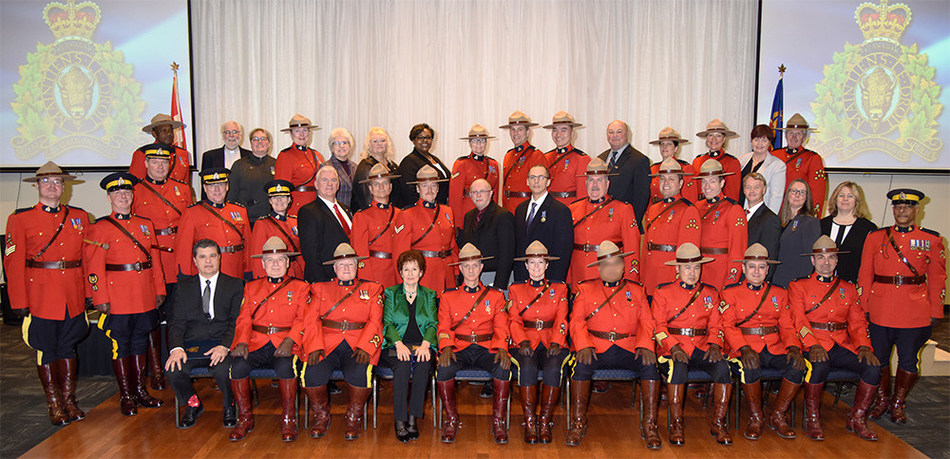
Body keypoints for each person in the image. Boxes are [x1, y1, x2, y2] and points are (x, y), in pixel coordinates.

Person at [4, 162, 90, 425]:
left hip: (72, 294)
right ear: (37, 186)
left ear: (64, 187)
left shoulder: (80, 217)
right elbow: (12, 262)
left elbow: (86, 258)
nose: (53, 186)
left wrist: (88, 292)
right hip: (41, 295)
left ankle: (70, 400)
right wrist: (18, 300)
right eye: (47, 182)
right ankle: (54, 405)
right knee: (47, 350)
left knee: (68, 348)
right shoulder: (20, 219)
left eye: (58, 182)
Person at [860, 189, 946, 424]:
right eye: (898, 207)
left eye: (907, 207)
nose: (902, 211)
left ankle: (898, 402)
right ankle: (882, 399)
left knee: (908, 359)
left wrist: (936, 310)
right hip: (880, 308)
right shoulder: (876, 238)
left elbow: (938, 278)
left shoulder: (931, 240)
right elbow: (865, 275)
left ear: (917, 210)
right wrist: (864, 306)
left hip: (914, 310)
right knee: (879, 358)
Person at [83, 172, 166, 416]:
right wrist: (99, 298)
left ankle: (141, 391)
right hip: (117, 297)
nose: (123, 197)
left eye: (127, 192)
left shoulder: (145, 224)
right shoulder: (99, 228)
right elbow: (93, 267)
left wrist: (159, 289)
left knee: (140, 344)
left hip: (143, 295)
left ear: (133, 195)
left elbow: (154, 260)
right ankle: (126, 395)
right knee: (121, 346)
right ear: (109, 197)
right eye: (117, 193)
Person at [565, 240, 661, 449]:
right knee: (580, 367)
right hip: (596, 347)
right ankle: (578, 422)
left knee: (650, 367)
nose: (612, 268)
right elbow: (577, 320)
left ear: (624, 266)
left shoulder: (637, 290)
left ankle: (649, 425)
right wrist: (583, 344)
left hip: (629, 346)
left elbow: (647, 321)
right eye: (606, 264)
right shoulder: (585, 289)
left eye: (616, 263)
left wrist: (645, 345)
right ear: (598, 268)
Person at [789, 236, 881, 441]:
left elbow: (857, 322)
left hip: (840, 343)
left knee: (872, 368)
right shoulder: (799, 286)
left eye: (831, 258)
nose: (826, 262)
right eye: (820, 258)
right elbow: (798, 320)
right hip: (811, 342)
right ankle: (812, 418)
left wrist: (864, 347)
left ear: (837, 260)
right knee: (819, 365)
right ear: (812, 261)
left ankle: (856, 417)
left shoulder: (848, 289)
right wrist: (812, 344)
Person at [720, 243, 806, 441]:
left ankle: (778, 415)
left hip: (774, 346)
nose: (757, 271)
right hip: (744, 345)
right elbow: (728, 326)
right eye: (752, 266)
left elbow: (786, 325)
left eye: (761, 267)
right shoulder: (730, 293)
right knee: (750, 366)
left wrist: (793, 348)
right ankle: (756, 417)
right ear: (743, 268)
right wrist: (743, 348)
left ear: (768, 269)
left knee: (797, 365)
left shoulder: (779, 293)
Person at [229, 237, 310, 442]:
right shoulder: (251, 287)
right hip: (256, 341)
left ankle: (288, 420)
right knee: (237, 367)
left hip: (285, 343)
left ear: (288, 263)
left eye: (280, 260)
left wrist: (291, 340)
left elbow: (304, 319)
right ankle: (245, 419)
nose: (275, 264)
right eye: (270, 260)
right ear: (263, 264)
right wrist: (242, 342)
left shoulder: (301, 288)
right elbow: (244, 319)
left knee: (286, 368)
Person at [651, 243, 732, 446]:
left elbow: (717, 325)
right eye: (687, 268)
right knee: (676, 369)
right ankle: (676, 424)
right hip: (675, 347)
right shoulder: (663, 292)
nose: (692, 272)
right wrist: (673, 346)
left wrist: (715, 344)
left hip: (703, 346)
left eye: (696, 267)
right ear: (677, 269)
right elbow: (658, 327)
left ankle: (718, 423)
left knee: (723, 368)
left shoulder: (710, 293)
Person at [302, 243, 384, 441]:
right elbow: (310, 319)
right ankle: (322, 416)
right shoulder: (320, 289)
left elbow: (375, 321)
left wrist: (366, 346)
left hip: (358, 343)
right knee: (311, 372)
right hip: (326, 341)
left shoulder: (372, 289)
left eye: (350, 264)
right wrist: (313, 346)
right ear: (334, 268)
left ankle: (353, 417)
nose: (346, 268)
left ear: (357, 267)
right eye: (341, 264)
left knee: (359, 372)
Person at [435, 243, 511, 444]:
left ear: (481, 267)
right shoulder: (448, 296)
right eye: (466, 266)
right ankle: (451, 420)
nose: (471, 270)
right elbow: (443, 327)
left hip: (487, 347)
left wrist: (502, 347)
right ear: (459, 268)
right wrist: (446, 347)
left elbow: (502, 326)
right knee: (443, 370)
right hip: (459, 347)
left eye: (475, 265)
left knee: (503, 369)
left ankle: (498, 421)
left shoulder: (495, 296)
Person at [132, 145, 194, 390]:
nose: (160, 166)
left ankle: (181, 365)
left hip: (179, 260)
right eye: (155, 162)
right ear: (146, 164)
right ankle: (157, 369)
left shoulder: (182, 189)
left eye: (164, 162)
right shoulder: (135, 190)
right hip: (153, 261)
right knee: (151, 319)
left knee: (181, 317)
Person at [165, 239, 244, 429]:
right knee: (173, 369)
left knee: (223, 369)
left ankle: (229, 406)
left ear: (219, 258)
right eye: (202, 256)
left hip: (222, 342)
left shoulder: (235, 285)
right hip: (193, 343)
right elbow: (176, 323)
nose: (208, 261)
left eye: (212, 256)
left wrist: (225, 346)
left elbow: (237, 322)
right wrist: (176, 348)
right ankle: (193, 404)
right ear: (195, 260)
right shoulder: (183, 287)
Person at [508, 241, 570, 444]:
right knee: (527, 367)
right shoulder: (516, 290)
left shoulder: (560, 289)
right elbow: (513, 319)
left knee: (553, 368)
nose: (536, 268)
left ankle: (545, 421)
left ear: (547, 265)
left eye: (540, 263)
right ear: (525, 266)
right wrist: (522, 341)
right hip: (526, 339)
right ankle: (529, 421)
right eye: (532, 263)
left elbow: (562, 319)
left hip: (551, 339)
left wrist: (557, 341)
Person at [381, 250, 438, 442]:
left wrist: (425, 344)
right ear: (400, 272)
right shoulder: (391, 293)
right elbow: (387, 323)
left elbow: (432, 324)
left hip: (421, 344)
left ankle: (413, 418)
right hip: (395, 345)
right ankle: (400, 421)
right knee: (403, 367)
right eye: (406, 269)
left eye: (415, 269)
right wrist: (398, 344)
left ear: (421, 272)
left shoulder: (429, 295)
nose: (411, 273)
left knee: (423, 366)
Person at [568, 158, 641, 287]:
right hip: (579, 275)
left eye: (599, 180)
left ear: (607, 183)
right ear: (585, 183)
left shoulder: (623, 209)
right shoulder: (573, 208)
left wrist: (630, 279)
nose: (595, 185)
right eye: (591, 180)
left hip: (609, 275)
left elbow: (632, 248)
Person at [393, 165, 459, 293]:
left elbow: (453, 247)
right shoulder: (407, 214)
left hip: (447, 274)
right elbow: (400, 254)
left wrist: (455, 271)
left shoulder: (447, 211)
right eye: (425, 186)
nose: (429, 189)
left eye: (433, 185)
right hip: (424, 277)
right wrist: (404, 285)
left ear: (438, 188)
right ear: (417, 188)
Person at [176, 168, 251, 280]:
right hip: (207, 271)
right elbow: (184, 248)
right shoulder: (192, 212)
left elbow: (248, 245)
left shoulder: (239, 210)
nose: (217, 190)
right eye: (211, 186)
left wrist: (249, 270)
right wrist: (185, 275)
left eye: (221, 184)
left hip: (235, 270)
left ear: (227, 186)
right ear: (205, 188)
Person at [641, 158, 701, 297]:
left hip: (669, 274)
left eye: (671, 179)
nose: (666, 183)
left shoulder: (688, 210)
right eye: (662, 179)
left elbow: (687, 252)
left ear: (680, 183)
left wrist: (680, 278)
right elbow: (646, 247)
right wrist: (642, 274)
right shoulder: (654, 208)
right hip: (650, 274)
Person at [513, 164, 574, 283]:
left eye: (541, 177)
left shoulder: (560, 210)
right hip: (522, 275)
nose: (536, 181)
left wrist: (556, 281)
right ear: (527, 181)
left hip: (548, 276)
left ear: (548, 182)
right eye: (532, 177)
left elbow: (563, 251)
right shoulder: (520, 209)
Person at [692, 159, 747, 290]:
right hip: (697, 269)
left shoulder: (733, 209)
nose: (707, 186)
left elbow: (737, 251)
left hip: (719, 271)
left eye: (712, 181)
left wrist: (730, 280)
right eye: (704, 182)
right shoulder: (696, 207)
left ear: (722, 183)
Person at [457, 179, 515, 290]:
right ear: (470, 194)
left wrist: (499, 285)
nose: (478, 195)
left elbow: (507, 255)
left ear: (491, 193)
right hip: (471, 277)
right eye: (474, 192)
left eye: (482, 191)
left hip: (493, 276)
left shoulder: (503, 216)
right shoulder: (468, 216)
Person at [298, 165, 352, 282]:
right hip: (325, 279)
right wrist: (322, 282)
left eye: (333, 180)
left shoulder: (346, 209)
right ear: (316, 185)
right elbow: (310, 254)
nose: (330, 184)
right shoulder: (308, 211)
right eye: (324, 180)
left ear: (338, 185)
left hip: (348, 276)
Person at [351, 164, 402, 287]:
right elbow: (360, 252)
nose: (381, 187)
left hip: (397, 273)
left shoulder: (400, 214)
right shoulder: (362, 216)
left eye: (384, 183)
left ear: (390, 187)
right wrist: (367, 280)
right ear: (370, 189)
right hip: (375, 273)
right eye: (376, 184)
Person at [820, 181, 877, 283]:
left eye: (850, 196)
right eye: (841, 195)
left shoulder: (867, 228)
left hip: (851, 286)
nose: (845, 199)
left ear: (857, 201)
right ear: (835, 199)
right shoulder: (821, 225)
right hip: (821, 284)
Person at [773, 113, 827, 216]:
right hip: (774, 211)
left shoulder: (812, 158)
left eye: (798, 134)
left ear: (804, 137)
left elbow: (817, 193)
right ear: (785, 135)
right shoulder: (774, 154)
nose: (794, 137)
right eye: (790, 133)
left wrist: (812, 218)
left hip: (797, 213)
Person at [248, 180, 303, 279]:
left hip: (296, 273)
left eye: (282, 197)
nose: (279, 200)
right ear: (270, 201)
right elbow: (257, 257)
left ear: (289, 199)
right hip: (275, 274)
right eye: (274, 197)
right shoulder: (262, 224)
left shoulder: (296, 221)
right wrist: (261, 280)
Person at [448, 124, 501, 227]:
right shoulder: (461, 164)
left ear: (486, 142)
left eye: (482, 140)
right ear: (469, 143)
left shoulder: (493, 164)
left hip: (488, 215)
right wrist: (457, 225)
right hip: (468, 215)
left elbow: (495, 194)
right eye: (475, 141)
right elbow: (455, 198)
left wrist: (495, 217)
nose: (478, 144)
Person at [599, 120, 650, 225]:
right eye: (611, 132)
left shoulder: (639, 160)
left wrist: (632, 224)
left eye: (619, 132)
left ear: (627, 134)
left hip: (624, 222)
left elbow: (641, 197)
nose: (614, 135)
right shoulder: (600, 158)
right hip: (601, 220)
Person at [773, 179, 821, 288]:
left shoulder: (810, 222)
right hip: (776, 279)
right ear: (787, 194)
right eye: (793, 191)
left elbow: (808, 259)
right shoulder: (778, 221)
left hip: (794, 282)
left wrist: (800, 285)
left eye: (802, 192)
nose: (797, 195)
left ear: (806, 197)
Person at [275, 114, 325, 215]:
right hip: (296, 207)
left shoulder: (316, 155)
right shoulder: (285, 156)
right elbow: (282, 189)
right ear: (291, 134)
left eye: (305, 130)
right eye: (297, 131)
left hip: (316, 205)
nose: (302, 134)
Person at [500, 111, 547, 214]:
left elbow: (541, 188)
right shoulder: (508, 155)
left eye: (520, 129)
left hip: (526, 208)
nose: (515, 133)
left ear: (527, 132)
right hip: (508, 209)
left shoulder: (536, 155)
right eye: (512, 130)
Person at [129, 114, 192, 190]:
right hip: (153, 197)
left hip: (177, 197)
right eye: (163, 131)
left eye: (170, 130)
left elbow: (185, 183)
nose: (169, 134)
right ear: (154, 134)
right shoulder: (142, 153)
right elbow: (136, 184)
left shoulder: (182, 154)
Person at [227, 127, 277, 222]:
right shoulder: (239, 165)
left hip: (270, 218)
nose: (259, 142)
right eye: (255, 139)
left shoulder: (277, 164)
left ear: (269, 143)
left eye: (263, 139)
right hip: (246, 218)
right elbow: (231, 195)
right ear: (251, 143)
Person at [396, 123, 451, 208]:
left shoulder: (434, 159)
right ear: (413, 140)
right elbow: (408, 193)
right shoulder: (409, 161)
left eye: (428, 137)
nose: (425, 140)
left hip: (438, 207)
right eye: (420, 137)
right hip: (422, 210)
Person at [543, 111, 590, 205]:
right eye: (555, 130)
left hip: (568, 208)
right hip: (547, 209)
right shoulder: (546, 157)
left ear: (572, 134)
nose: (558, 134)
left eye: (563, 130)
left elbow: (582, 195)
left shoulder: (581, 159)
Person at [739, 124, 785, 213]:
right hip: (740, 211)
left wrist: (768, 220)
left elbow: (776, 197)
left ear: (769, 142)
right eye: (756, 140)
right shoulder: (742, 160)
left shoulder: (778, 165)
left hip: (761, 215)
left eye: (764, 140)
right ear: (751, 141)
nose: (759, 144)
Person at [692, 119, 741, 202]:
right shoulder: (698, 161)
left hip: (720, 208)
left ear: (724, 139)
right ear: (706, 138)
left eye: (718, 136)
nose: (714, 139)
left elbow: (732, 194)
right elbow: (694, 190)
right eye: (711, 135)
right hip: (700, 206)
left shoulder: (731, 162)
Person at [352, 127, 400, 211]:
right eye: (375, 141)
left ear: (387, 144)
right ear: (369, 145)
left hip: (391, 213)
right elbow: (365, 198)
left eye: (383, 140)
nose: (379, 143)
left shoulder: (393, 166)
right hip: (372, 214)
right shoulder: (365, 166)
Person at [743, 172, 782, 273]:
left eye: (756, 187)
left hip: (755, 277)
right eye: (748, 187)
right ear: (744, 190)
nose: (752, 191)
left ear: (764, 190)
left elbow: (770, 256)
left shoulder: (770, 219)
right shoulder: (739, 215)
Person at [648, 127, 697, 204]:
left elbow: (690, 198)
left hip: (675, 211)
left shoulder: (684, 168)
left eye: (669, 144)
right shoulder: (653, 169)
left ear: (676, 148)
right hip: (655, 211)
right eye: (662, 144)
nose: (665, 147)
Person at [326, 127, 357, 208]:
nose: (341, 146)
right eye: (337, 143)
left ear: (350, 146)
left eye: (345, 142)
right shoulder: (326, 167)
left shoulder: (355, 167)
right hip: (335, 212)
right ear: (331, 147)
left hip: (353, 213)